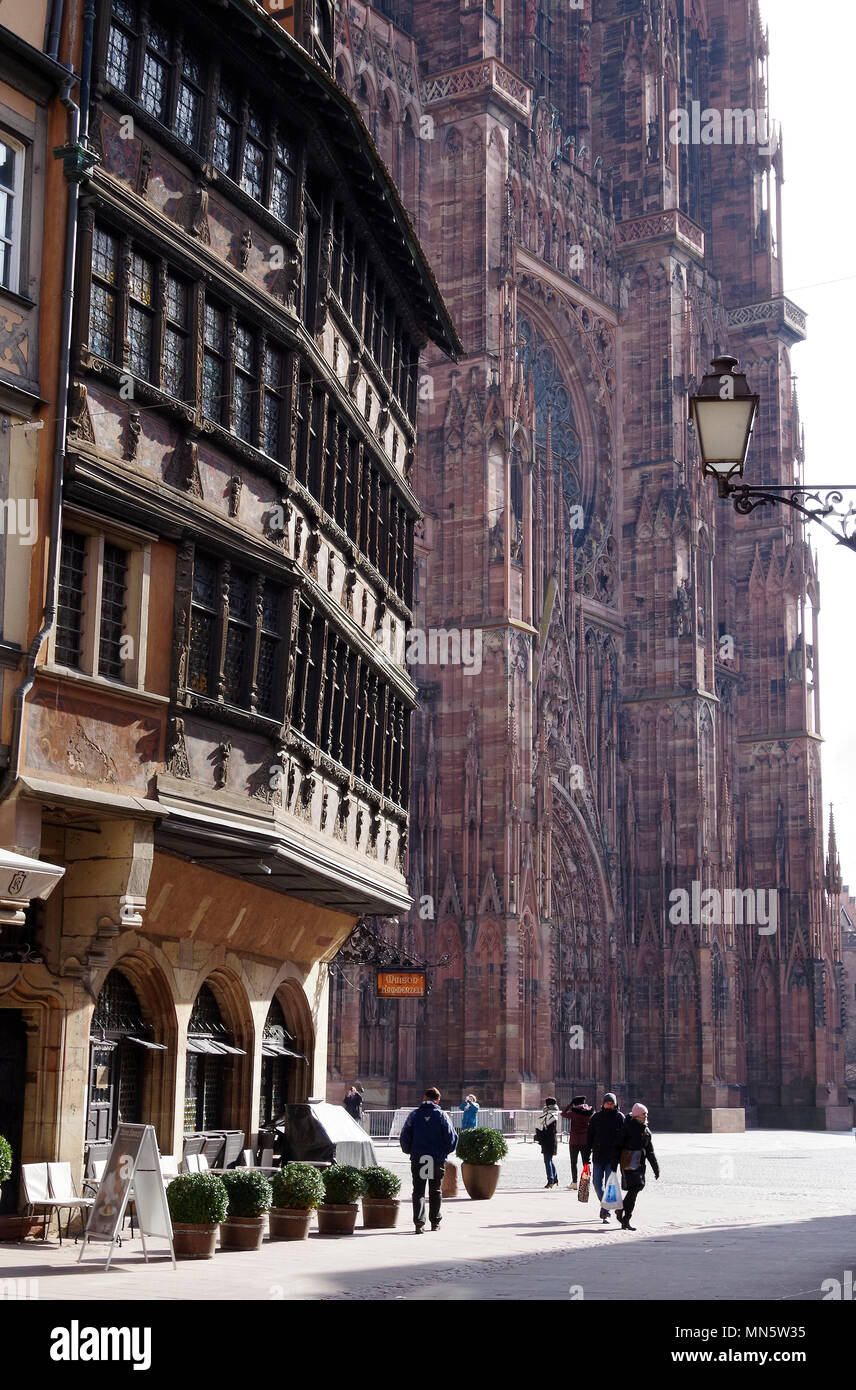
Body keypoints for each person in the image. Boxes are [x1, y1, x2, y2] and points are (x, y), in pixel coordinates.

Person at [399, 1086, 458, 1233]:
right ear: (437, 1100)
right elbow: (452, 1138)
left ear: (424, 1098)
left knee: (418, 1190)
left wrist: (409, 1150)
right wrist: (445, 1152)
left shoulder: (414, 1115)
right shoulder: (442, 1115)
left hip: (418, 1157)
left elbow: (405, 1135)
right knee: (435, 1190)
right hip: (436, 1158)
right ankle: (435, 1222)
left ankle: (419, 1223)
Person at [582, 1091, 626, 1223]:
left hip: (612, 1158)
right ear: (603, 1104)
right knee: (596, 1184)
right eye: (607, 1103)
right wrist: (586, 1157)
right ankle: (605, 1206)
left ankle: (605, 1211)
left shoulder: (620, 1118)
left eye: (611, 1103)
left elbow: (624, 1138)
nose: (609, 1105)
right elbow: (589, 1138)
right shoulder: (596, 1117)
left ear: (615, 1104)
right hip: (598, 1156)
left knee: (609, 1185)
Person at [617, 1102, 660, 1230]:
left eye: (646, 1114)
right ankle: (625, 1216)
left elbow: (650, 1151)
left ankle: (624, 1216)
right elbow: (618, 1145)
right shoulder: (627, 1127)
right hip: (628, 1161)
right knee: (636, 1187)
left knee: (635, 1189)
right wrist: (614, 1163)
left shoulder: (646, 1130)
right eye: (643, 1114)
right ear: (636, 1115)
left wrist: (656, 1167)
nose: (645, 1116)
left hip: (640, 1163)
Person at [561, 1094, 593, 1189]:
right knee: (586, 1163)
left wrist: (570, 1105)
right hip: (585, 1141)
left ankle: (574, 1183)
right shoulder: (589, 1112)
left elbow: (563, 1113)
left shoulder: (573, 1113)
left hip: (574, 1141)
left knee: (573, 1162)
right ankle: (586, 1183)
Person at [534, 1096, 561, 1188]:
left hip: (549, 1141)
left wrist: (541, 1134)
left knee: (547, 1160)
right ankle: (555, 1179)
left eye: (546, 1103)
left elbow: (550, 1131)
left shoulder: (552, 1116)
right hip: (548, 1140)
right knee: (549, 1160)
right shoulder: (549, 1115)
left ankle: (550, 1180)